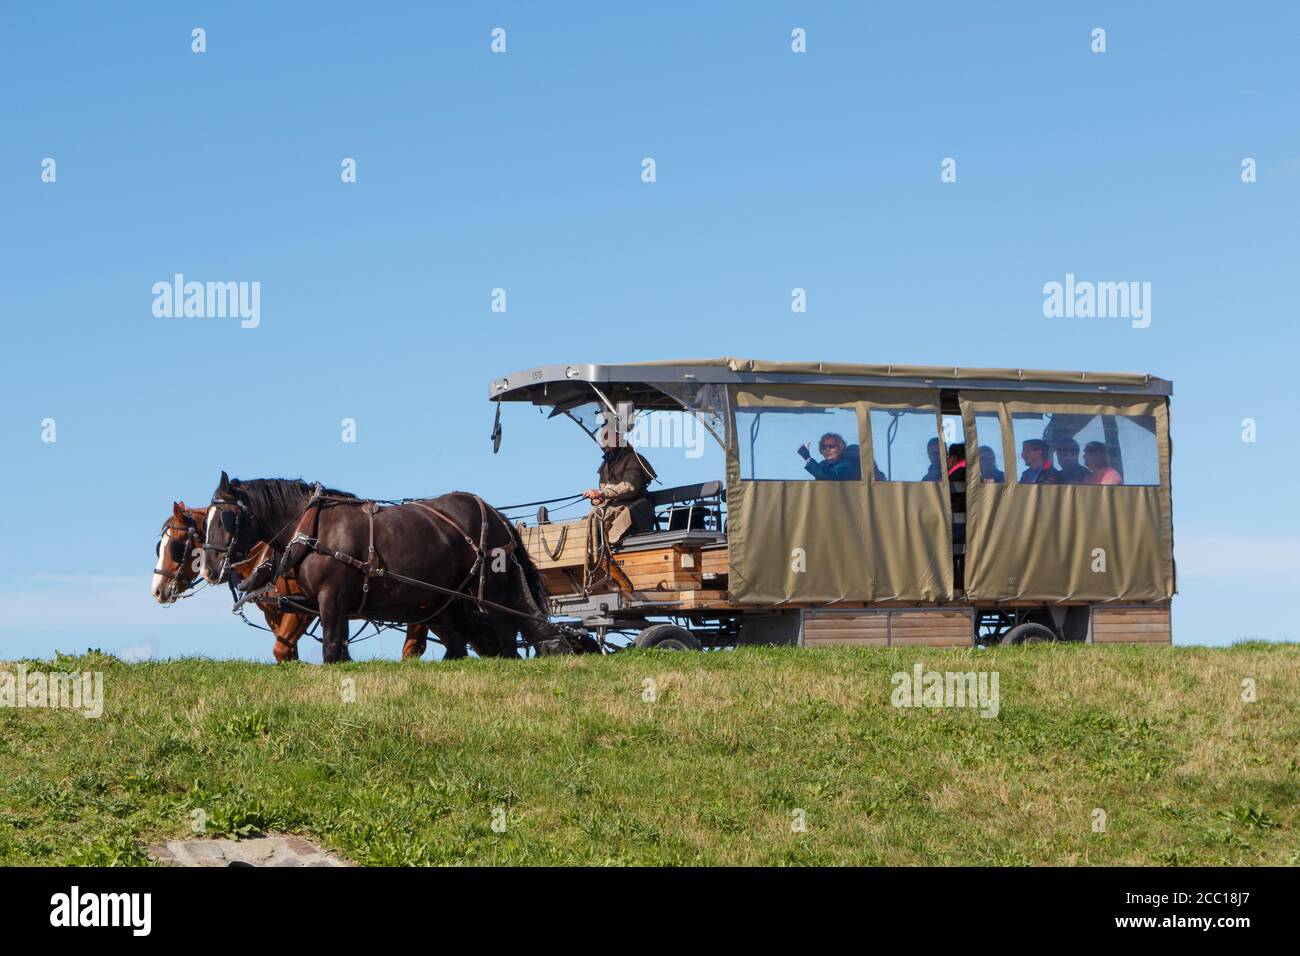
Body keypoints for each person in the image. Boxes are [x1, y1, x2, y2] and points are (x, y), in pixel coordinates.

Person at [582, 418, 657, 545]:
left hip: (630, 507)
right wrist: (597, 499)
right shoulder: (606, 464)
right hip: (610, 507)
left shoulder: (633, 459)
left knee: (598, 522)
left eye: (606, 438)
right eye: (602, 438)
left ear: (617, 438)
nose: (603, 443)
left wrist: (601, 493)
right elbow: (603, 492)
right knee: (586, 521)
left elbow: (629, 487)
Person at [947, 443, 968, 589]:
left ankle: (956, 583)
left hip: (957, 520)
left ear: (953, 457)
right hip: (961, 520)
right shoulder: (969, 470)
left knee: (955, 555)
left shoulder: (959, 471)